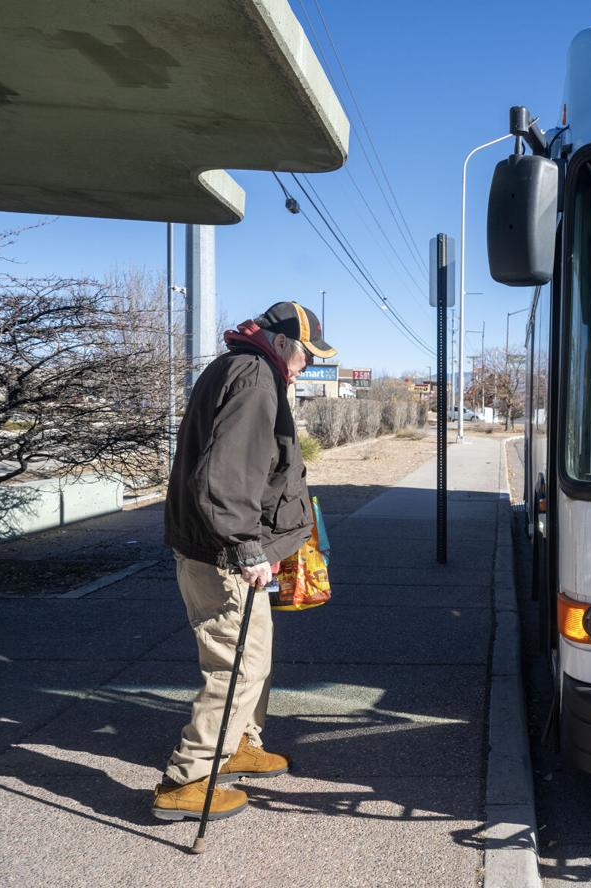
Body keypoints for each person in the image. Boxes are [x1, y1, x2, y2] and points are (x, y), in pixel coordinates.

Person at [152, 301, 336, 821]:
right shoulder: (256, 380)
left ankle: (239, 744)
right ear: (281, 344)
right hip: (225, 556)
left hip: (224, 550)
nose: (307, 367)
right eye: (305, 356)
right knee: (236, 664)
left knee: (254, 654)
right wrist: (250, 548)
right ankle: (187, 779)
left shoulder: (243, 369)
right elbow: (225, 480)